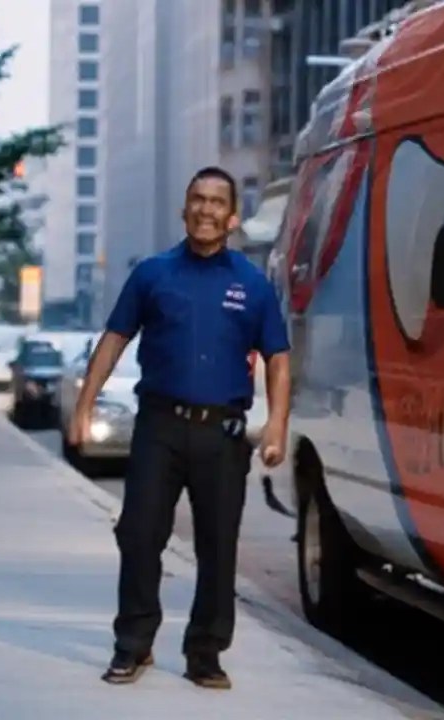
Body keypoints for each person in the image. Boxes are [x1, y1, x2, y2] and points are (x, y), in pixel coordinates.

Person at [69, 166, 292, 690]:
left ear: (232, 217)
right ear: (184, 208)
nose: (207, 209)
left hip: (223, 434)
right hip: (160, 427)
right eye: (198, 198)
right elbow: (114, 340)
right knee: (140, 534)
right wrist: (84, 406)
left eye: (217, 201)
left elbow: (278, 359)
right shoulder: (153, 273)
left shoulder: (252, 285)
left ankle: (205, 653)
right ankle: (133, 645)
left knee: (218, 544)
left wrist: (277, 424)